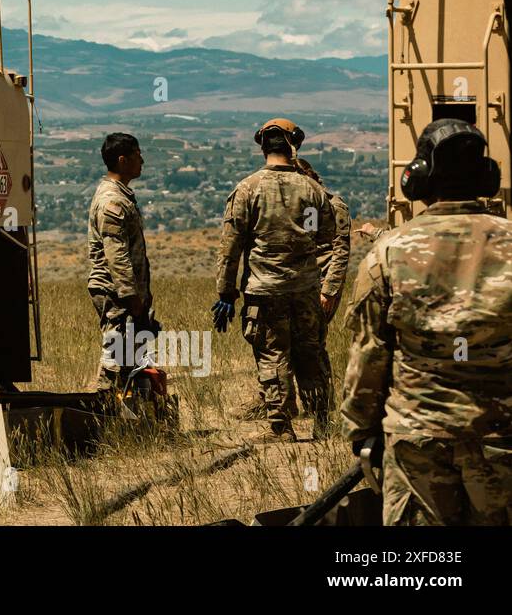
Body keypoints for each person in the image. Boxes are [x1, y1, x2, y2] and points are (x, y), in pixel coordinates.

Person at [342, 119, 512, 524]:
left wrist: (361, 431)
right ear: (487, 177)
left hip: (417, 440)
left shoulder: (388, 253)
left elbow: (368, 354)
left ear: (416, 180)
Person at [213, 118, 334, 442]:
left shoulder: (247, 189)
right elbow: (327, 233)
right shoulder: (312, 189)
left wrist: (226, 292)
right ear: (294, 146)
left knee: (272, 355)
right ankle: (323, 422)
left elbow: (230, 247)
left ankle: (282, 428)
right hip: (306, 288)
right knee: (311, 352)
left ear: (263, 147)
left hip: (265, 290)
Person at [234, 157, 351, 421]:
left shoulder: (332, 205)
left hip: (317, 285)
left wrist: (329, 289)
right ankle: (278, 403)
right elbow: (303, 242)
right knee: (284, 348)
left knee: (310, 348)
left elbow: (339, 250)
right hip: (299, 283)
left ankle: (318, 408)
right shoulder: (305, 206)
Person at [87, 132, 157, 390]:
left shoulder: (120, 195)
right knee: (116, 357)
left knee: (131, 356)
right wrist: (131, 297)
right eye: (137, 156)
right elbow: (116, 254)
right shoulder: (112, 200)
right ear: (122, 160)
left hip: (124, 293)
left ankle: (128, 416)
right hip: (115, 291)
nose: (143, 161)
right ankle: (103, 413)